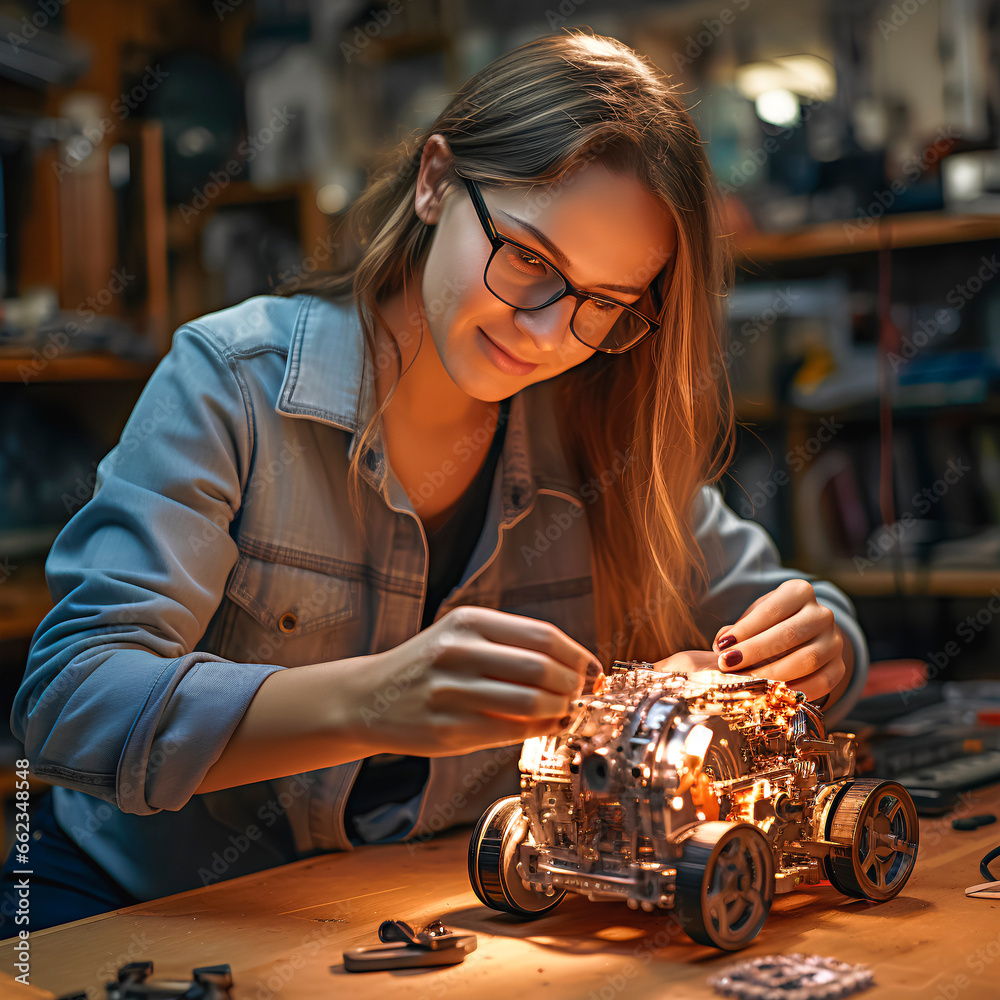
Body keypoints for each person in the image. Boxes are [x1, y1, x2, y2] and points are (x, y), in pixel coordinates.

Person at [2, 30, 868, 937]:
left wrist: (817, 648)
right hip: (138, 907)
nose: (545, 331)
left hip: (410, 915)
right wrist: (369, 702)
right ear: (434, 181)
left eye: (605, 304)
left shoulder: (601, 431)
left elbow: (797, 613)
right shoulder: (232, 384)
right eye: (530, 260)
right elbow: (67, 705)